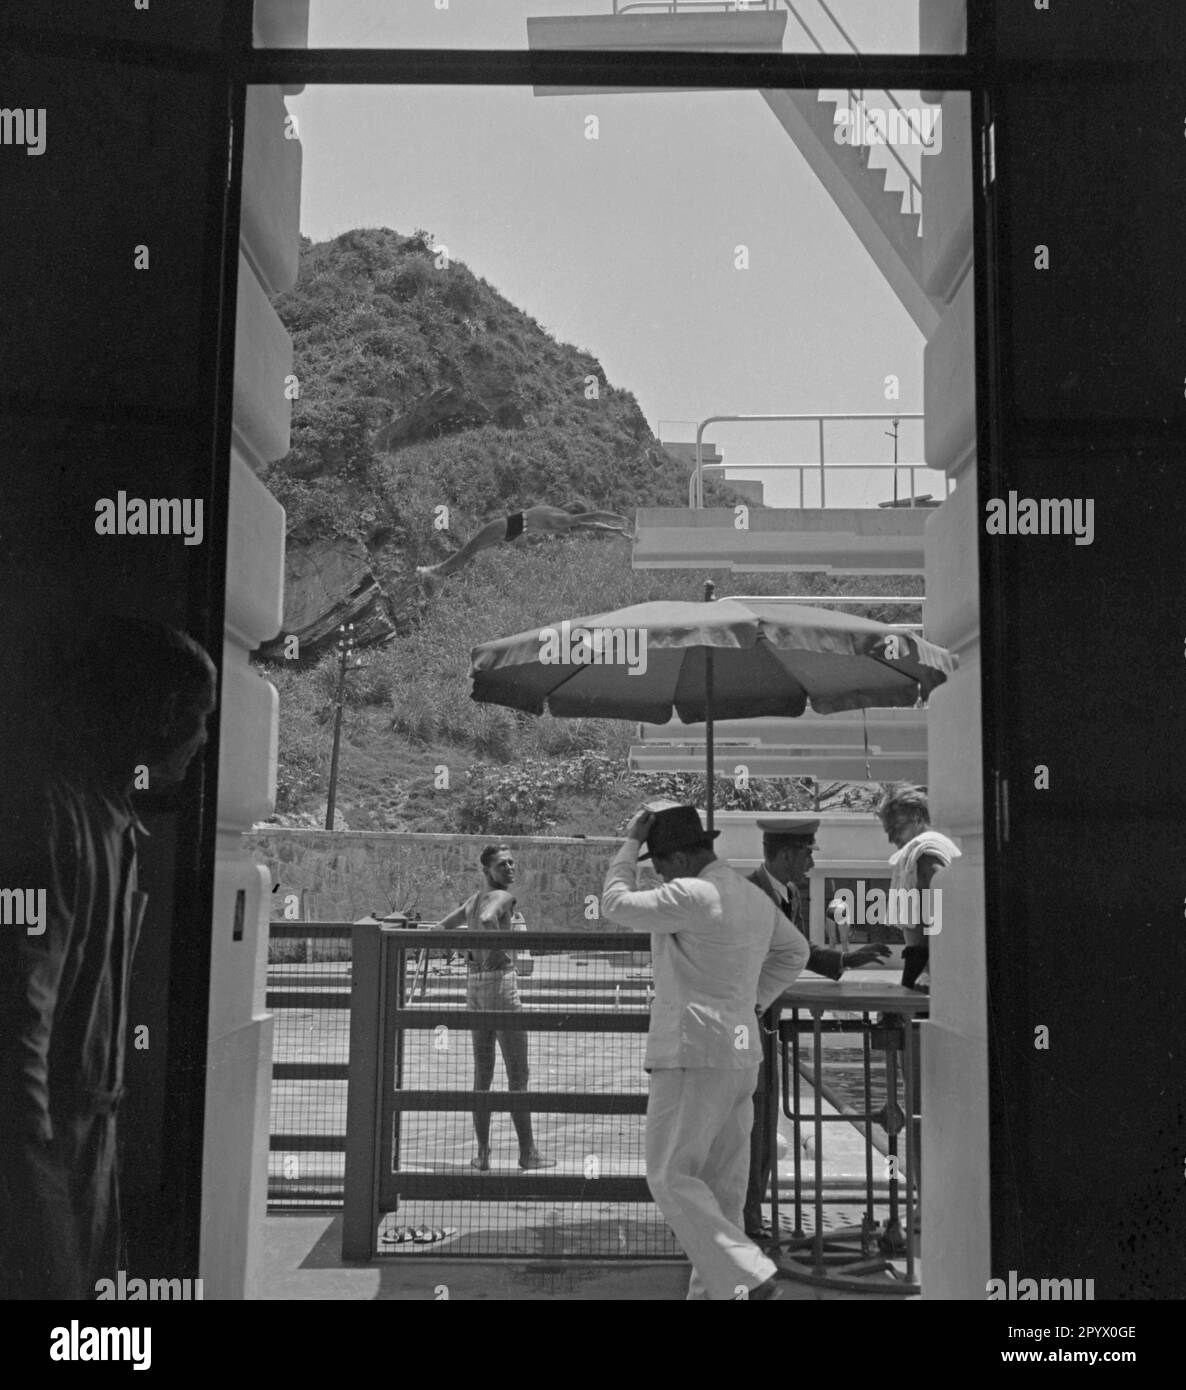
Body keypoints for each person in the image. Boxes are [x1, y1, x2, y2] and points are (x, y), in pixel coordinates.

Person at [0, 615, 217, 1300]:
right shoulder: (53, 818)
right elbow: (18, 1038)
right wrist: (45, 1222)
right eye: (199, 718)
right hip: (50, 1152)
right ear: (161, 715)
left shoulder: (113, 819)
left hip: (88, 1145)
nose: (204, 739)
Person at [601, 805, 810, 1301]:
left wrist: (630, 845)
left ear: (677, 857)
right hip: (741, 1054)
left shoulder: (690, 894)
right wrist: (752, 1000)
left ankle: (748, 1277)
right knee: (723, 1190)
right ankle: (720, 1293)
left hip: (693, 1053)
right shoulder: (753, 898)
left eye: (659, 864)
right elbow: (795, 952)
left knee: (670, 1176)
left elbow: (614, 903)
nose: (659, 874)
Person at [742, 817, 891, 1240]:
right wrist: (844, 960)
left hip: (765, 1021)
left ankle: (753, 1216)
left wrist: (845, 960)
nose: (810, 861)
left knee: (765, 1119)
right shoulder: (753, 894)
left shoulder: (788, 892)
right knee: (751, 1124)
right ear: (786, 854)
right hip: (745, 1021)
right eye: (807, 853)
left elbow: (798, 950)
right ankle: (746, 1221)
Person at [439, 845, 553, 1171]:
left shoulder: (471, 901)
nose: (510, 869)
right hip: (500, 986)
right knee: (518, 1075)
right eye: (503, 865)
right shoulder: (502, 898)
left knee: (482, 1074)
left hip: (473, 986)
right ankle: (528, 1154)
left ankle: (483, 1154)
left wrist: (467, 955)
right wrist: (506, 951)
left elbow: (440, 929)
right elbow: (490, 920)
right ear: (487, 870)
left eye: (513, 863)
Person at [876, 785, 961, 990]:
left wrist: (924, 973)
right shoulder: (934, 846)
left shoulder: (925, 852)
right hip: (929, 958)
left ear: (916, 818)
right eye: (888, 832)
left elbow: (941, 913)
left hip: (927, 962)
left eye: (896, 828)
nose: (891, 839)